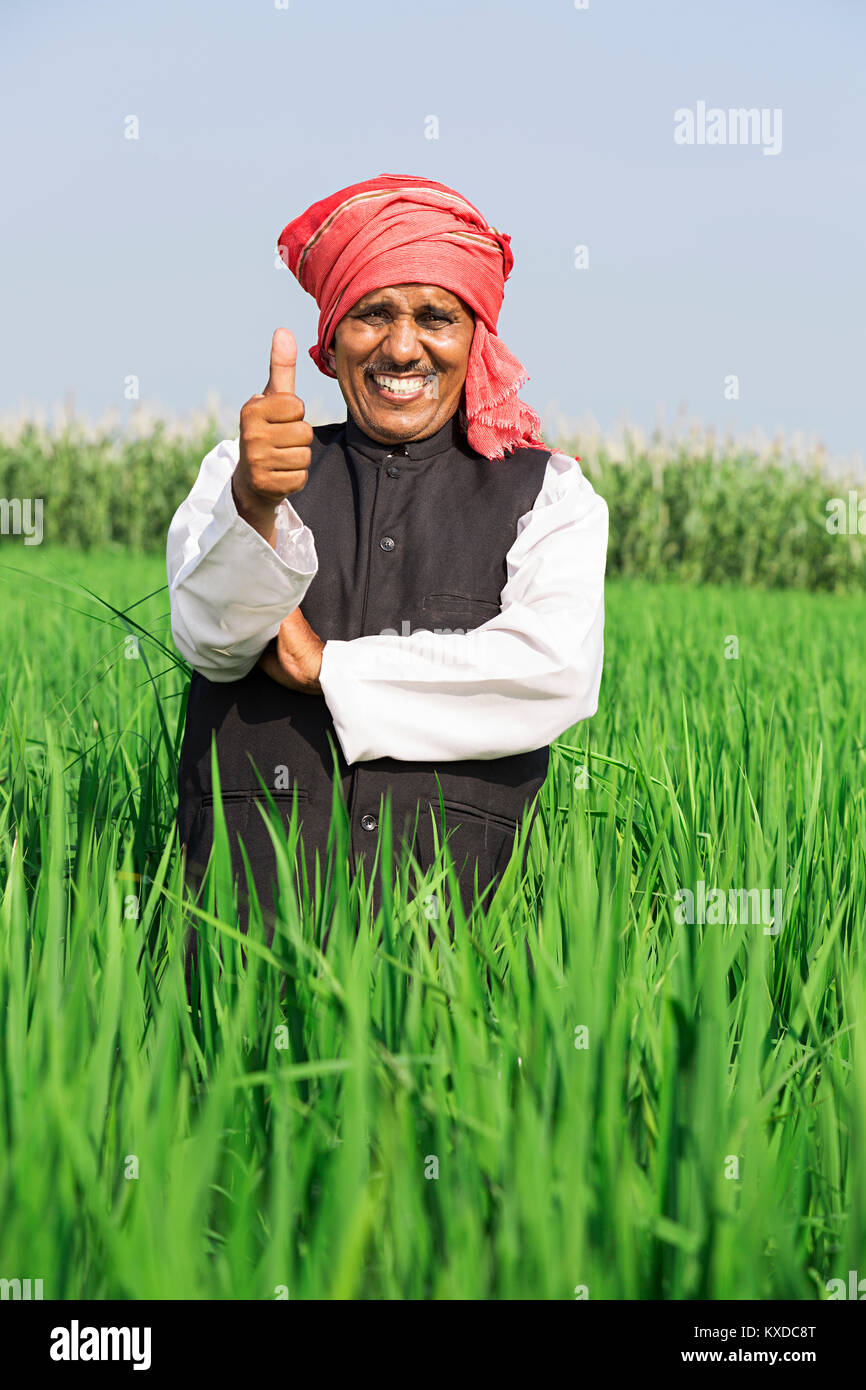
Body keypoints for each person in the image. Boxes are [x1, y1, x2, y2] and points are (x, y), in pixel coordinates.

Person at [166, 173, 608, 943]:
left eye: (436, 316)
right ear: (331, 342)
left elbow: (552, 672)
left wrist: (326, 668)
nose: (403, 347)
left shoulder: (552, 494)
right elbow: (207, 636)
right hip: (240, 945)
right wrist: (257, 508)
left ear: (476, 341)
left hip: (454, 964)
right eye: (373, 313)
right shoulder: (239, 471)